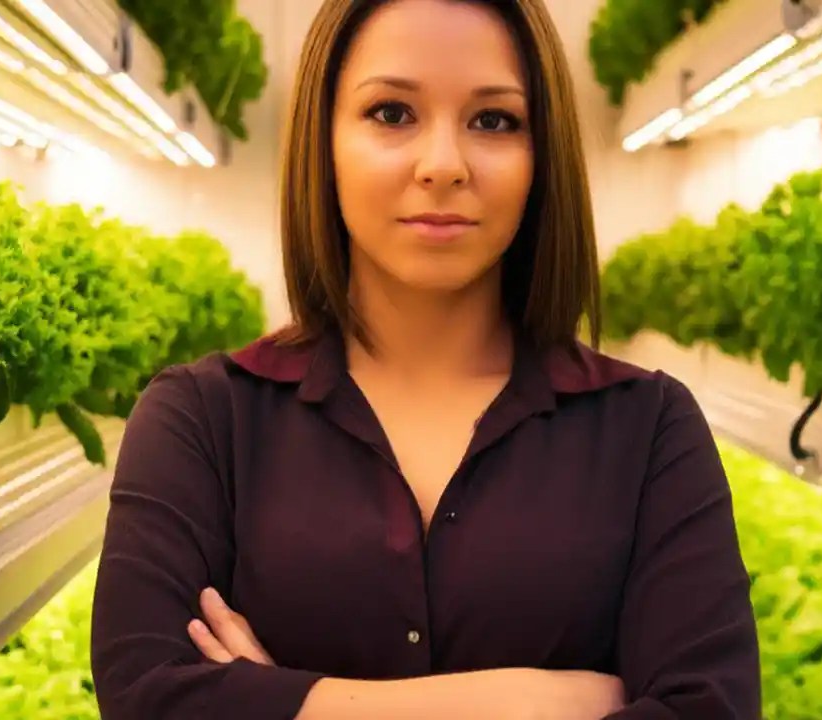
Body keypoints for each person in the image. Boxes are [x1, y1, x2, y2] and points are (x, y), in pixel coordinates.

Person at [89, 0, 761, 717]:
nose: (443, 165)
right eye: (391, 113)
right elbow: (146, 697)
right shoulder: (200, 420)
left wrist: (281, 701)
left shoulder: (648, 427)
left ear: (543, 155)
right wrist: (544, 702)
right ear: (324, 141)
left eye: (494, 121)